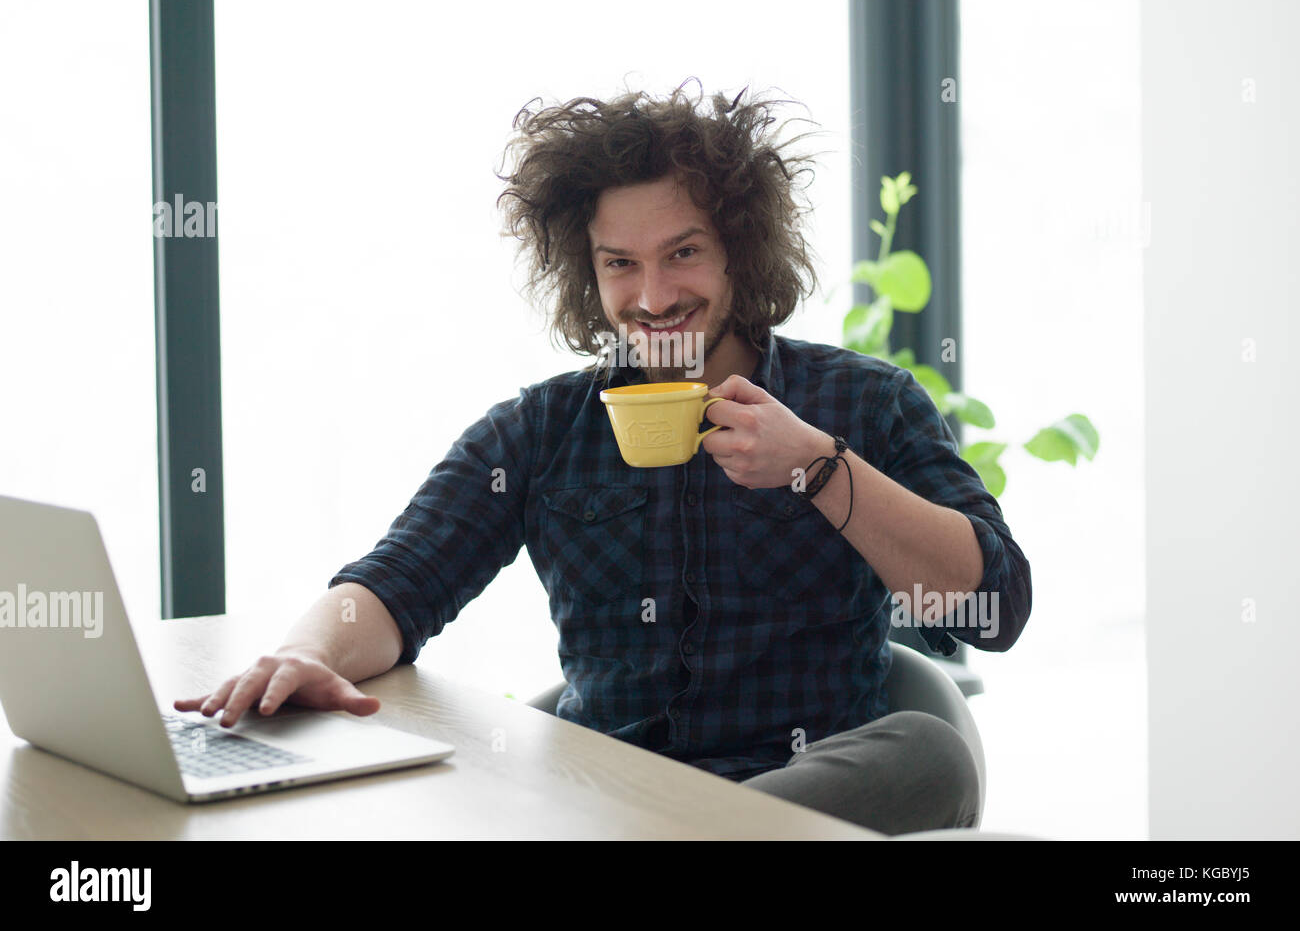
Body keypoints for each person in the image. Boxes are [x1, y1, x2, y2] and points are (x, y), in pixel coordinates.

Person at [175, 78, 1031, 835]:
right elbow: (395, 583)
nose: (653, 298)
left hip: (804, 806)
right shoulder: (541, 430)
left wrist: (819, 467)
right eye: (621, 264)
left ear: (742, 246)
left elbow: (993, 607)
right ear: (588, 272)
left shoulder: (861, 404)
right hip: (604, 802)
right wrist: (308, 652)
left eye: (683, 253)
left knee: (929, 749)